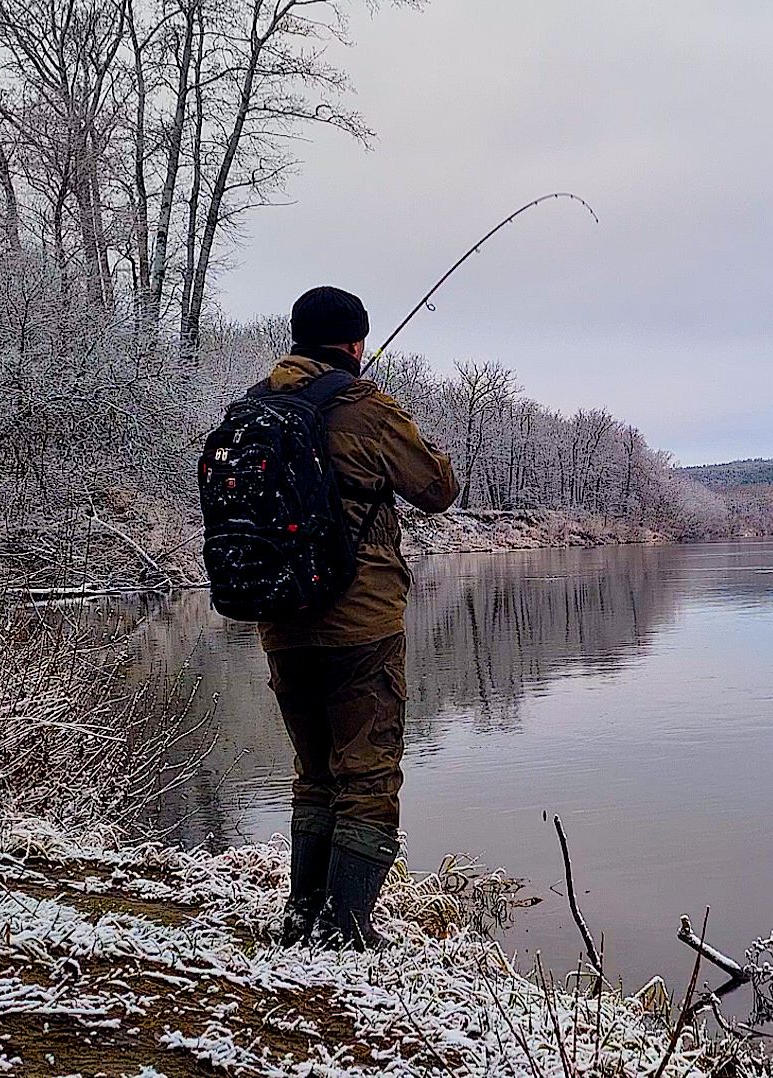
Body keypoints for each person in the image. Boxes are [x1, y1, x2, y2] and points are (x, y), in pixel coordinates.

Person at [259, 285, 459, 949]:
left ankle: (301, 916)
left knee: (314, 771)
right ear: (353, 343)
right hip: (359, 621)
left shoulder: (257, 405)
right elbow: (436, 489)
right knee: (368, 775)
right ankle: (347, 931)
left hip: (281, 621)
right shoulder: (365, 405)